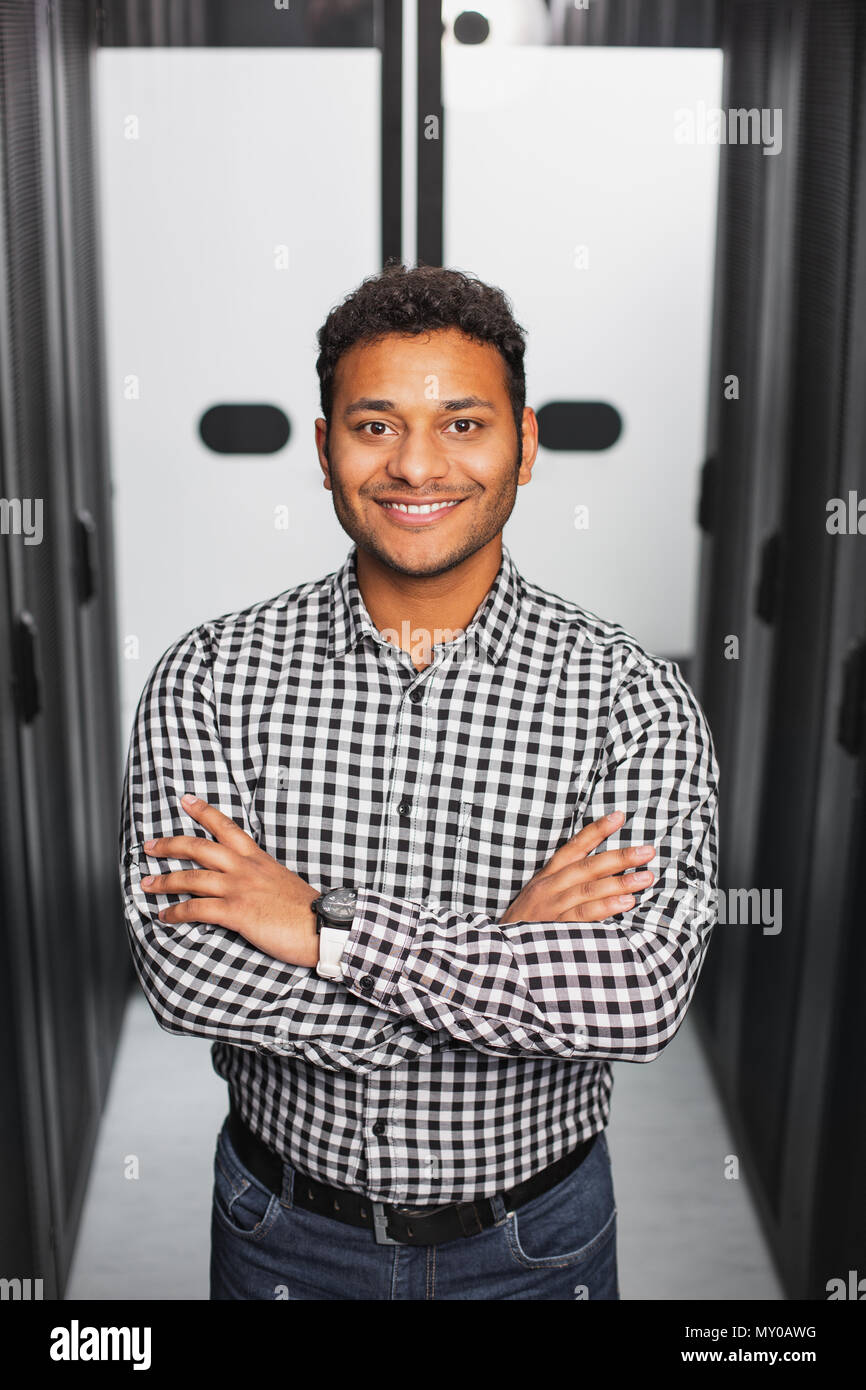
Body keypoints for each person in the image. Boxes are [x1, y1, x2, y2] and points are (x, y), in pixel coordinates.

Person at [119, 263, 719, 1301]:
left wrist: (324, 928)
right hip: (281, 1234)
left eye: (462, 424)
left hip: (536, 1243)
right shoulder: (209, 676)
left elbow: (639, 998)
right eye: (374, 425)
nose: (415, 465)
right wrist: (510, 947)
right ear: (324, 451)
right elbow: (188, 975)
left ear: (523, 447)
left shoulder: (630, 698)